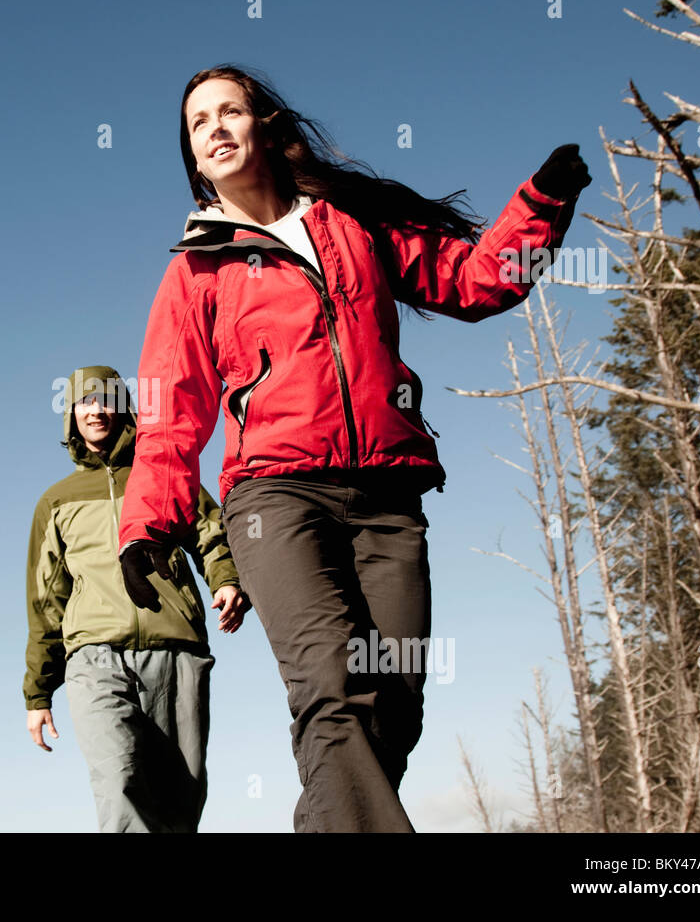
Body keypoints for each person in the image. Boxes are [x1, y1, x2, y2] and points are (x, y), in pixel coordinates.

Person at [117, 65, 591, 832]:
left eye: (229, 110)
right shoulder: (196, 270)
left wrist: (541, 204)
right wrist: (149, 523)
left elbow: (475, 285)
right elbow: (171, 410)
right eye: (198, 122)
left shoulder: (352, 227)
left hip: (386, 497)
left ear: (264, 126)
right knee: (332, 690)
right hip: (276, 498)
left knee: (392, 704)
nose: (214, 127)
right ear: (195, 158)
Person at [23, 364, 248, 832]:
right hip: (93, 657)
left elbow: (211, 533)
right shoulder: (56, 501)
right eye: (84, 402)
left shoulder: (163, 474)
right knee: (118, 778)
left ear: (124, 409)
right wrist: (38, 692)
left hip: (175, 650)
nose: (95, 411)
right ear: (71, 416)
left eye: (105, 399)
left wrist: (225, 579)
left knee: (178, 798)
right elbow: (46, 600)